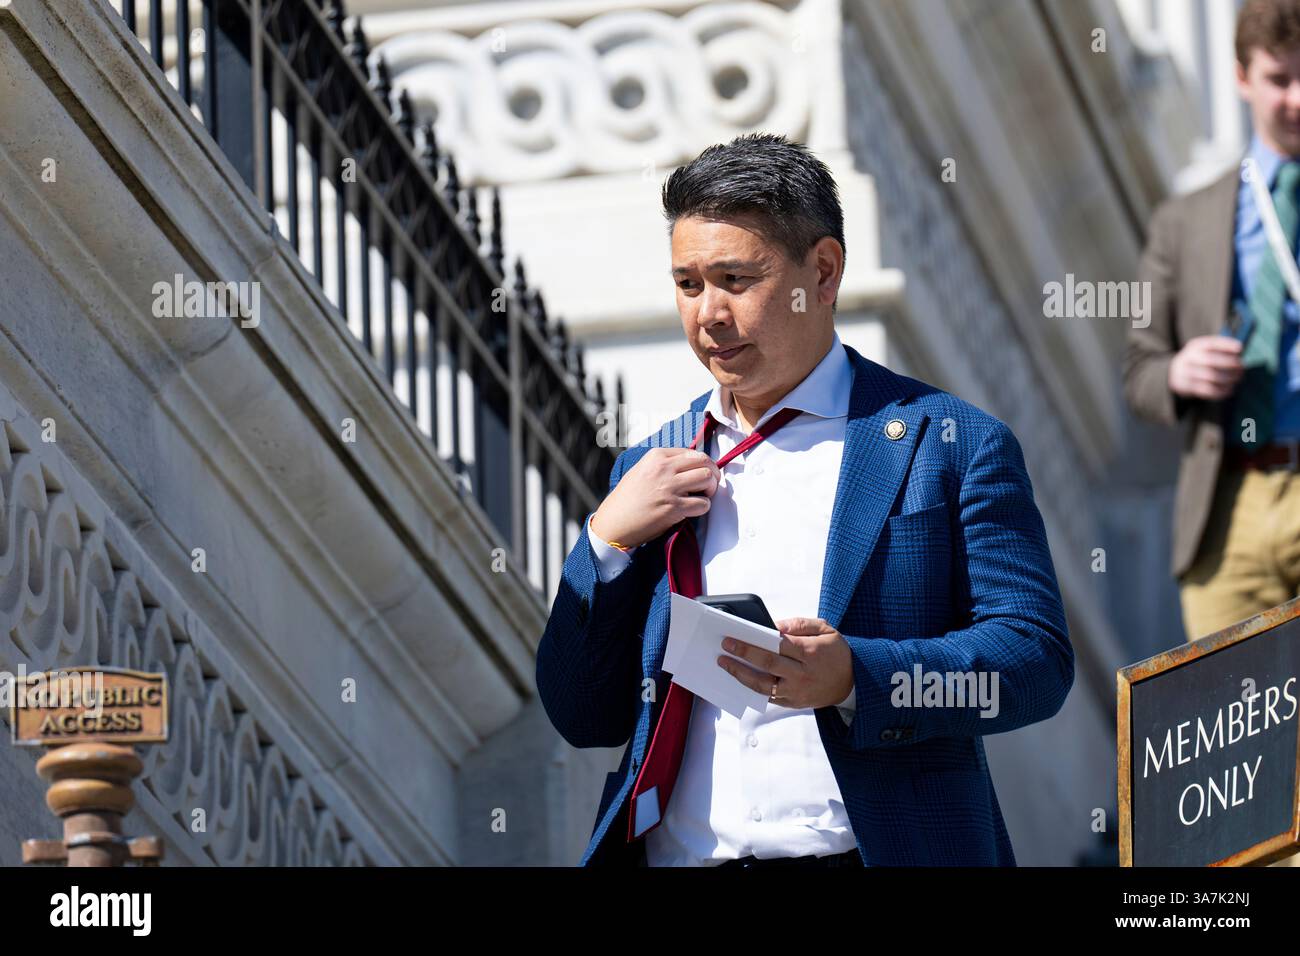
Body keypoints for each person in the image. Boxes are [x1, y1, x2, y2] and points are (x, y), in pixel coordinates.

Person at [536, 132, 1074, 867]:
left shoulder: (950, 442)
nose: (708, 315)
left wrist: (858, 676)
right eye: (688, 284)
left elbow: (1033, 662)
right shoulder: (652, 466)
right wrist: (604, 542)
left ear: (822, 273)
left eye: (735, 279)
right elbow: (579, 713)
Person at [1124, 0, 1300, 644]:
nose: (1297, 99)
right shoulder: (1185, 220)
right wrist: (1180, 370)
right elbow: (1139, 372)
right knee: (1236, 731)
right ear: (1242, 77)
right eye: (1281, 80)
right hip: (1226, 509)